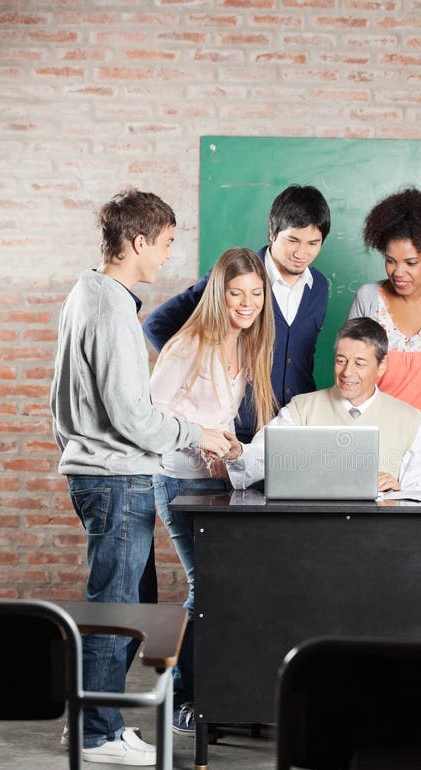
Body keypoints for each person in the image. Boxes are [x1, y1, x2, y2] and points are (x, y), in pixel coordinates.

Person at [50, 188, 231, 765]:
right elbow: (131, 415)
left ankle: (92, 720)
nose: (167, 258)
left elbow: (65, 405)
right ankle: (97, 733)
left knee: (134, 597)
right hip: (117, 478)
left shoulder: (86, 294)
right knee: (117, 606)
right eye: (166, 244)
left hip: (99, 472)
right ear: (138, 241)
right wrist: (194, 433)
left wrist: (83, 452)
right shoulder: (111, 308)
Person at [149, 247, 276, 735]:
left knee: (230, 585)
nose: (247, 303)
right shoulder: (187, 345)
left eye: (256, 294)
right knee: (207, 586)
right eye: (236, 293)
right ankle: (183, 696)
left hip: (219, 481)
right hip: (178, 479)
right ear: (218, 295)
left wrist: (233, 453)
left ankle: (223, 689)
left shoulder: (246, 344)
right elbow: (152, 420)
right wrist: (202, 445)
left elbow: (218, 418)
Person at [143, 184, 331, 442]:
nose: (302, 253)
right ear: (272, 232)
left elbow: (302, 356)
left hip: (293, 430)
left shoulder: (319, 287)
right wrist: (204, 373)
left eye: (313, 243)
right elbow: (157, 324)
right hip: (238, 429)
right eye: (293, 240)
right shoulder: (236, 275)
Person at [224, 317, 421, 493]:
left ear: (381, 365)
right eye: (341, 360)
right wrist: (239, 453)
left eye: (359, 363)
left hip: (381, 534)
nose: (347, 372)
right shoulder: (301, 409)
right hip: (311, 529)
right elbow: (261, 456)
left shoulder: (409, 420)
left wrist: (399, 490)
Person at [347, 187, 421, 486]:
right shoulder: (368, 298)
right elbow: (351, 373)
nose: (398, 272)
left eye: (411, 263)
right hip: (376, 444)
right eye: (390, 260)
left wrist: (418, 439)